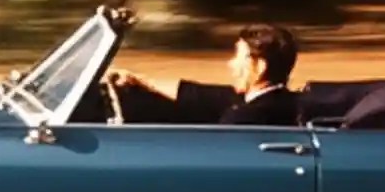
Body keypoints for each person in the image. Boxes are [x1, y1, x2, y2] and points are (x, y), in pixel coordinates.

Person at [111, 24, 300, 126]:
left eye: (239, 58)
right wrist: (139, 80)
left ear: (259, 67)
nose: (231, 64)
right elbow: (196, 94)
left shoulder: (247, 117)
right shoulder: (275, 100)